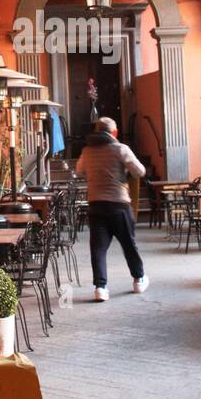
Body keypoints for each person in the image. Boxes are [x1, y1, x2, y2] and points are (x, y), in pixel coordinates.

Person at [75, 117, 148, 302]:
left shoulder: (87, 151)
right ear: (114, 132)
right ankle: (138, 279)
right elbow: (139, 171)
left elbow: (79, 170)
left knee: (98, 248)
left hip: (95, 204)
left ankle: (100, 287)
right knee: (128, 244)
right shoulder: (120, 149)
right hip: (118, 204)